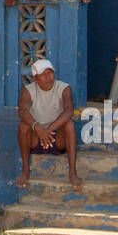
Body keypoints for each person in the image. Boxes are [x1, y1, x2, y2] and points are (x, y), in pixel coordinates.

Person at [17, 59, 81, 190]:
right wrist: (38, 128)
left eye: (50, 73)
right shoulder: (28, 90)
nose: (48, 78)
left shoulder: (64, 88)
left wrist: (48, 130)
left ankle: (72, 172)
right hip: (36, 137)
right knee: (24, 126)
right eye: (43, 75)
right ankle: (25, 170)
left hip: (55, 137)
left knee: (69, 124)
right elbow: (23, 112)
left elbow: (69, 111)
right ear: (35, 78)